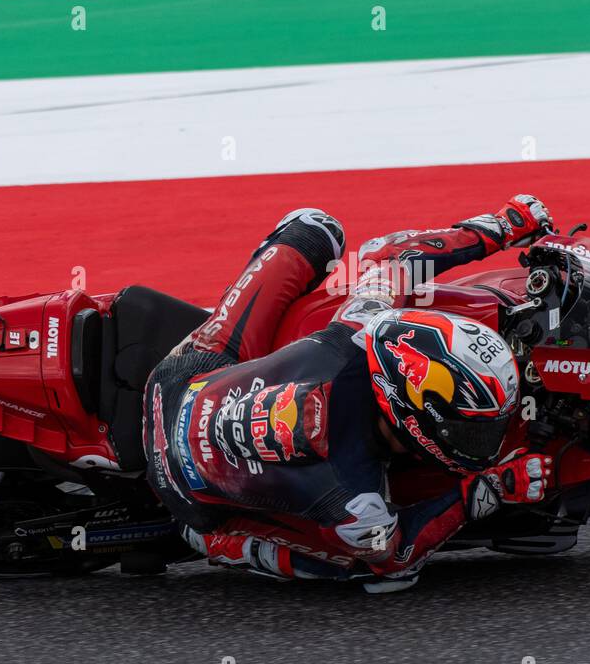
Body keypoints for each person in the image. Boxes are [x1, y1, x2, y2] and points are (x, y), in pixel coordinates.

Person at [141, 197, 556, 592]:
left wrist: (497, 227)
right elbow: (398, 555)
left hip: (179, 382)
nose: (484, 436)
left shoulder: (359, 330)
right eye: (471, 429)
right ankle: (220, 544)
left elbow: (388, 255)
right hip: (190, 500)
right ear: (414, 420)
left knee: (314, 228)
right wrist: (488, 490)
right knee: (376, 571)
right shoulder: (362, 501)